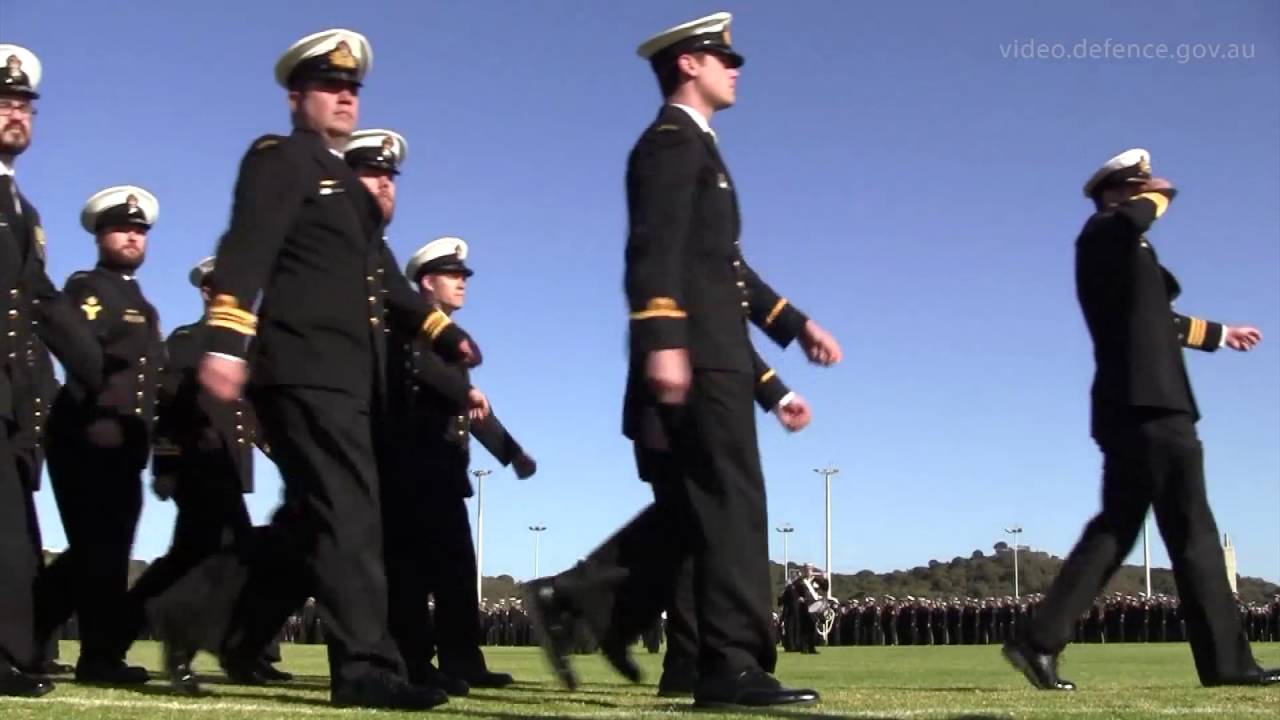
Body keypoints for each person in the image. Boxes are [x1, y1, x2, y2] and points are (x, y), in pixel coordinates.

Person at [525, 12, 839, 709]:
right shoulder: (670, 143)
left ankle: (588, 607)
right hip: (696, 357)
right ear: (690, 64)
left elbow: (726, 271)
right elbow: (652, 251)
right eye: (726, 57)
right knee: (730, 507)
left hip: (717, 354)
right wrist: (662, 341)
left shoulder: (699, 149)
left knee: (702, 513)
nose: (737, 68)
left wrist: (793, 327)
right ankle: (730, 665)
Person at [194, 29, 475, 710]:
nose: (345, 97)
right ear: (297, 97)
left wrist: (442, 329)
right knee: (352, 514)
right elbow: (246, 245)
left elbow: (385, 282)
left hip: (349, 380)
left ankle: (220, 621)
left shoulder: (347, 194)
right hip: (302, 365)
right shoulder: (280, 159)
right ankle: (365, 670)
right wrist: (227, 339)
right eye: (331, 86)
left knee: (322, 518)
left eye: (353, 89)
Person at [1004, 148, 1279, 690]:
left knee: (1116, 528)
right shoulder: (1104, 232)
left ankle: (1037, 639)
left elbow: (1163, 320)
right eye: (1138, 186)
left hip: (1133, 404)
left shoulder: (1123, 252)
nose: (1149, 194)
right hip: (1151, 404)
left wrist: (1222, 334)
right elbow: (1137, 220)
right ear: (1115, 192)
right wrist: (1162, 192)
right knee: (1194, 531)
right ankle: (1227, 663)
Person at [122, 256, 285, 693]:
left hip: (230, 469)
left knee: (199, 558)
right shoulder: (188, 342)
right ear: (206, 292)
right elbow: (167, 408)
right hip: (196, 468)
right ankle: (186, 651)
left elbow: (256, 417)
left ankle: (137, 626)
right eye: (219, 288)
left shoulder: (250, 347)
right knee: (211, 559)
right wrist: (166, 466)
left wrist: (285, 457)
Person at [386, 235, 534, 692]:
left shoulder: (452, 341)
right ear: (427, 282)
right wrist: (461, 392)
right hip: (412, 466)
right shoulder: (409, 328)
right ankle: (412, 660)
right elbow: (425, 374)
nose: (463, 283)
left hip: (445, 471)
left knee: (455, 572)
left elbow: (472, 410)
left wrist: (511, 453)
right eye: (454, 276)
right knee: (410, 572)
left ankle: (461, 659)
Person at [0, 41, 103, 699]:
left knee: (14, 536)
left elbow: (40, 300)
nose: (16, 114)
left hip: (9, 397)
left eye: (23, 104)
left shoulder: (21, 210)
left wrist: (100, 375)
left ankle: (12, 653)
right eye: (3, 101)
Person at [36, 185, 164, 685]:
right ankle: (76, 650)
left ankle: (95, 655)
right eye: (122, 229)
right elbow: (81, 354)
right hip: (88, 438)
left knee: (104, 553)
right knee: (97, 551)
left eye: (139, 231)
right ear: (100, 236)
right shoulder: (88, 289)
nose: (132, 237)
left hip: (127, 446)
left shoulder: (143, 304)